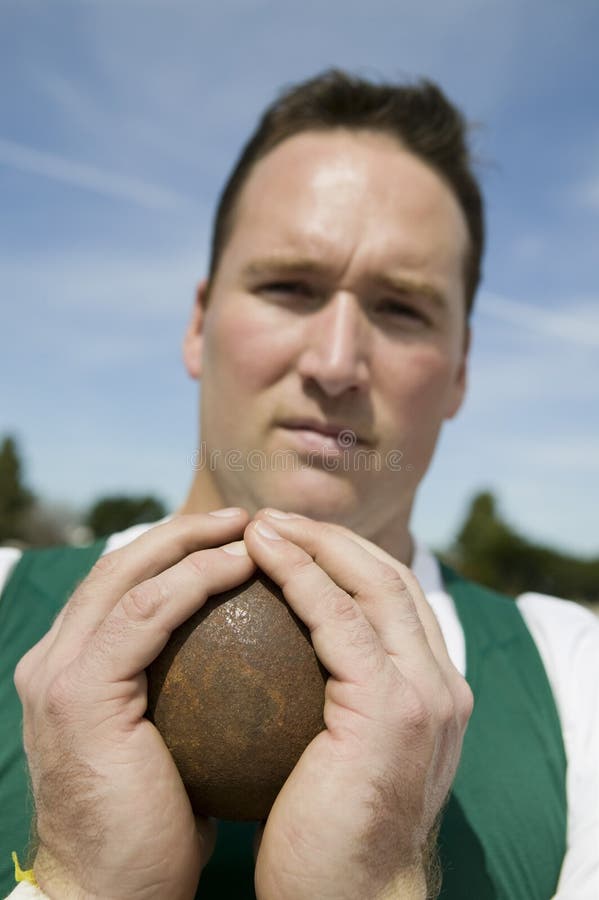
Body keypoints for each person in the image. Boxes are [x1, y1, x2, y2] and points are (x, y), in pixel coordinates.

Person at [1, 69, 597, 900]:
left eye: (401, 308)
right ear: (199, 324)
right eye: (289, 287)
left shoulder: (574, 682)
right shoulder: (7, 600)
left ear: (459, 371)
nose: (334, 363)